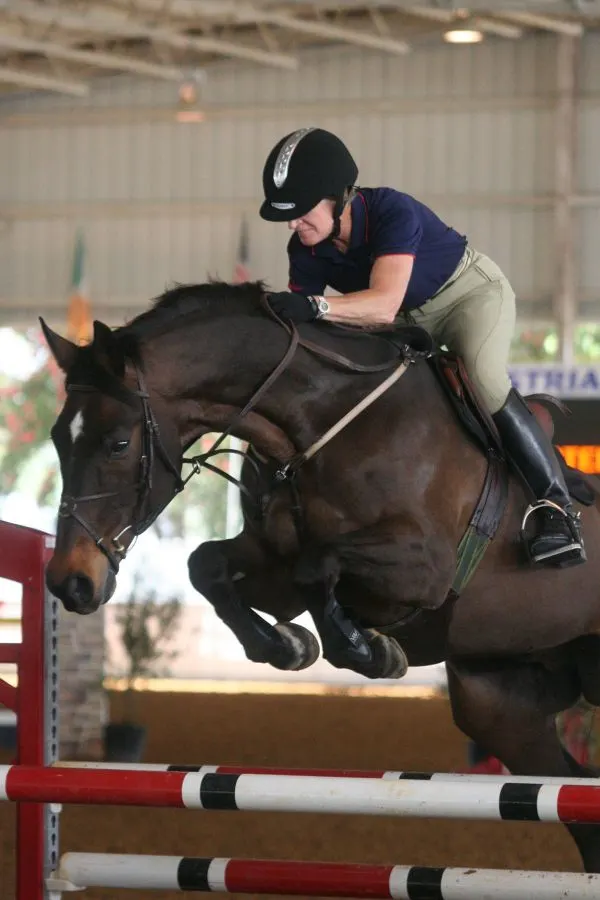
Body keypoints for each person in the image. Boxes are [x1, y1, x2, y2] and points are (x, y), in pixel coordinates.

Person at [258, 126, 585, 568]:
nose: (295, 224)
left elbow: (381, 303)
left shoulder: (392, 209)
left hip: (467, 297)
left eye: (301, 212)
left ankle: (557, 511)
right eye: (289, 216)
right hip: (400, 322)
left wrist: (312, 305)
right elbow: (314, 329)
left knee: (484, 382)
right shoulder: (305, 249)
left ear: (341, 196)